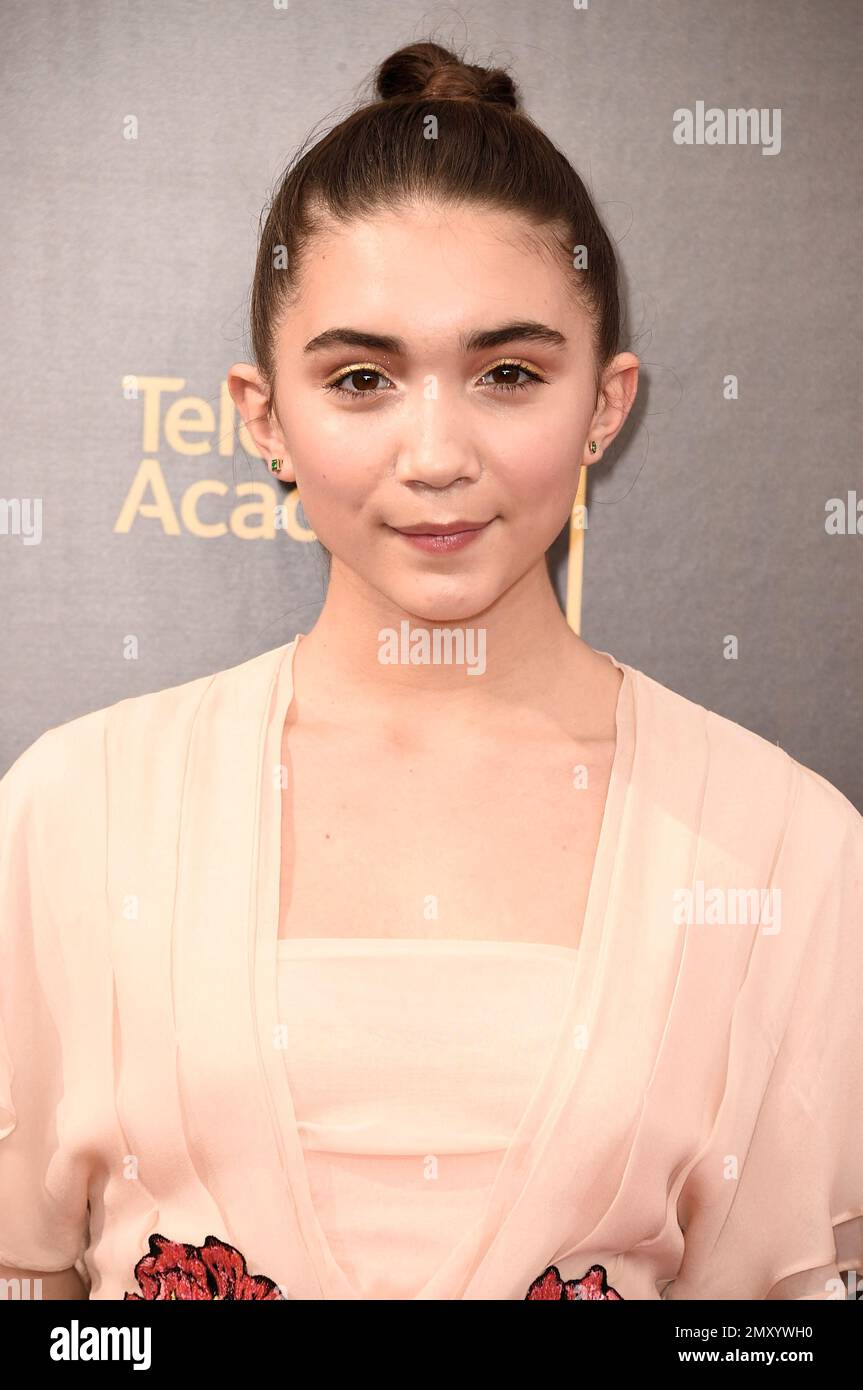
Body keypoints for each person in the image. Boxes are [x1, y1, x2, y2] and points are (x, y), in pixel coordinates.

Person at [1, 40, 861, 1303]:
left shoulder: (784, 845)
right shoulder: (75, 811)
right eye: (361, 379)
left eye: (507, 374)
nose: (437, 452)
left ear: (605, 406)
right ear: (261, 416)